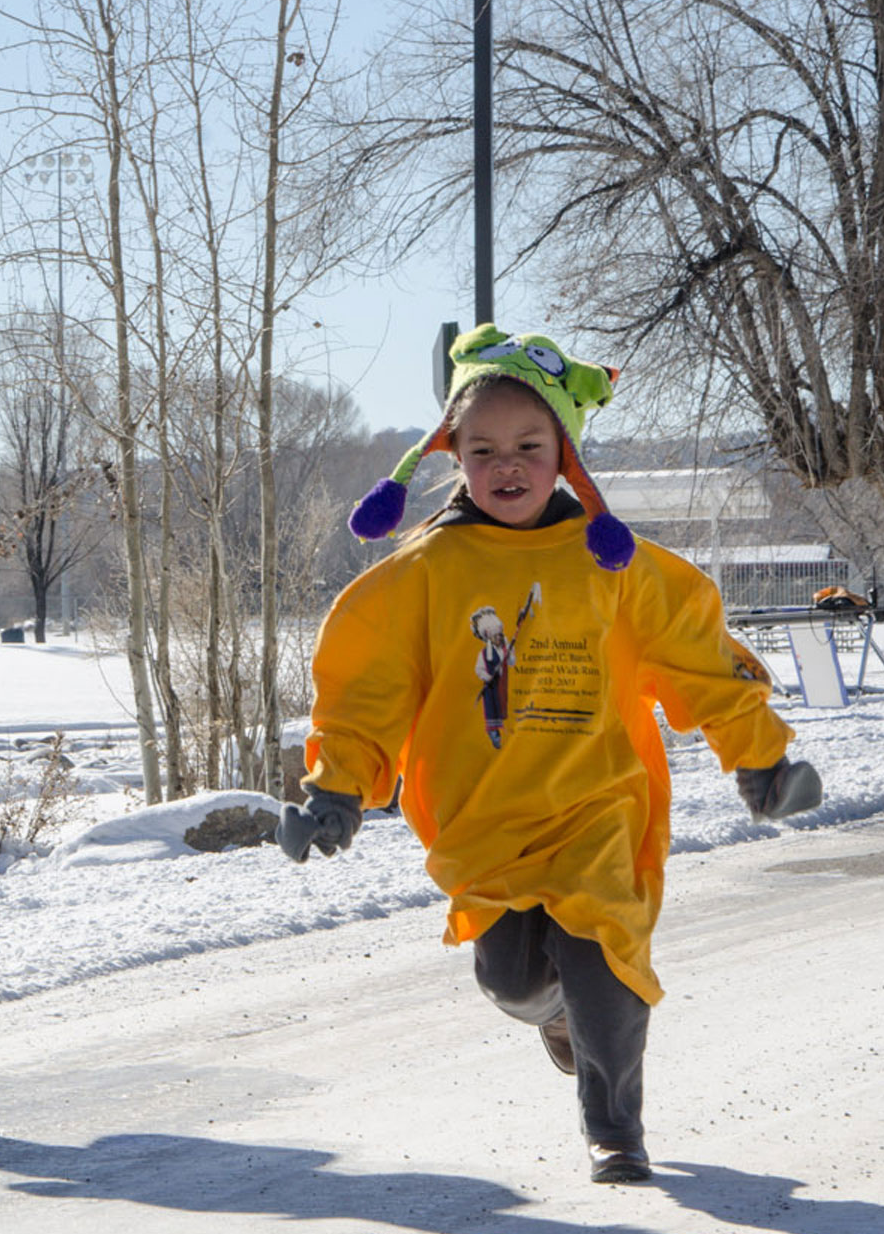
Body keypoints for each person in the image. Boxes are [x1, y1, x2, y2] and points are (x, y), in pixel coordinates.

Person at [277, 324, 822, 1184]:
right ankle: (554, 1018)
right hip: (482, 821)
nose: (508, 465)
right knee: (513, 985)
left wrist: (759, 760)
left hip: (599, 807)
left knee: (604, 961)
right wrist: (338, 792)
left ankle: (615, 1128)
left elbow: (696, 653)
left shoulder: (616, 567)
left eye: (530, 446)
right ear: (451, 454)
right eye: (484, 447)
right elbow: (366, 690)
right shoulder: (421, 574)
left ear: (563, 454)